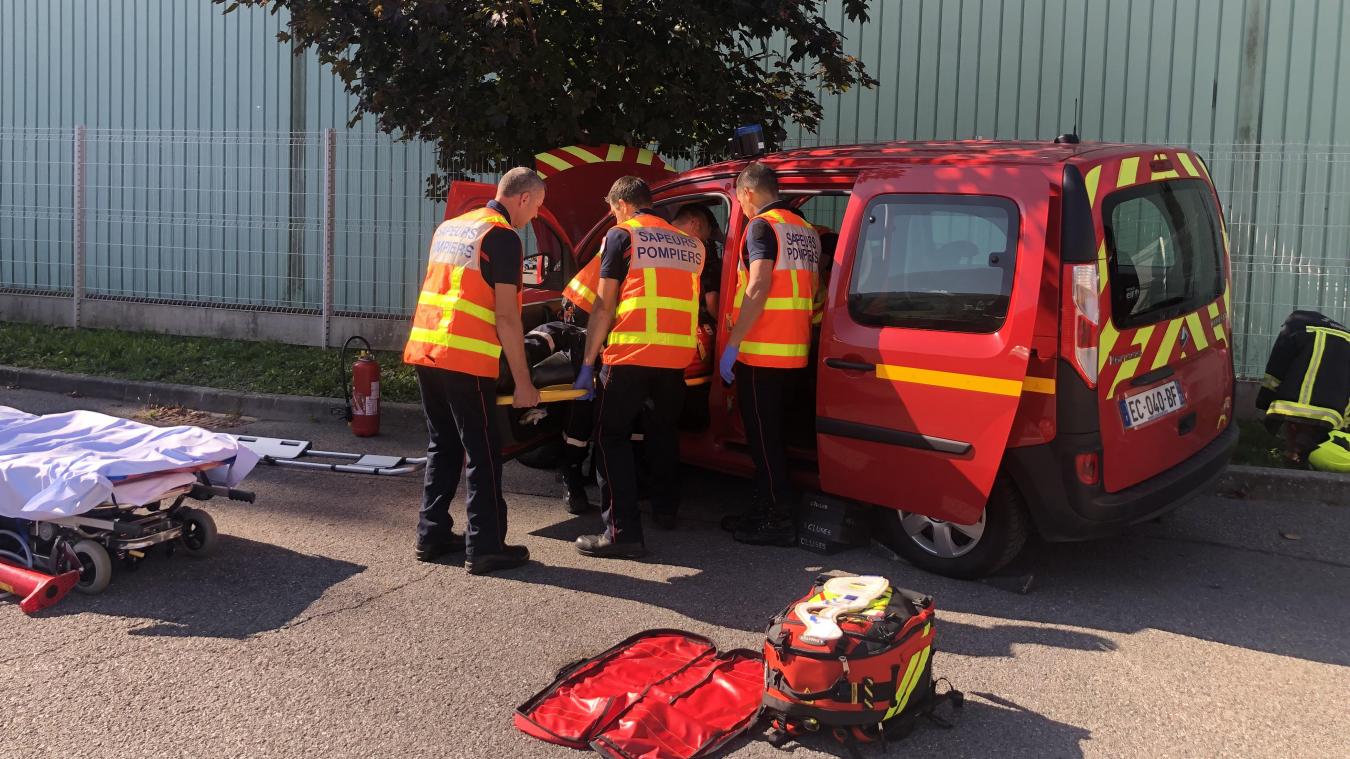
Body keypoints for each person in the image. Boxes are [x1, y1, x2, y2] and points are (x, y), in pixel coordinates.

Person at [404, 167, 543, 575]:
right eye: (537, 205)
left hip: (428, 351)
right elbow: (507, 318)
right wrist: (523, 382)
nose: (535, 215)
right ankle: (485, 546)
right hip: (465, 359)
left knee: (443, 445)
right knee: (482, 452)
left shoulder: (451, 227)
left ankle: (431, 535)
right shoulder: (503, 237)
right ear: (522, 198)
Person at [572, 177, 706, 558]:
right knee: (663, 433)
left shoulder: (622, 236)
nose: (614, 217)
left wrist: (587, 363)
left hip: (630, 354)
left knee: (610, 438)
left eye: (613, 210)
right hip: (675, 359)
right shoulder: (690, 244)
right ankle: (665, 510)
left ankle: (622, 533)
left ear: (622, 205)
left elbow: (603, 305)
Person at [718, 162, 821, 546]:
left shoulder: (762, 226)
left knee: (763, 443)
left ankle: (777, 519)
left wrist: (733, 344)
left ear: (747, 192)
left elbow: (759, 284)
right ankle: (763, 509)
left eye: (740, 200)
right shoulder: (805, 230)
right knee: (775, 439)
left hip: (761, 353)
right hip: (795, 353)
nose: (742, 208)